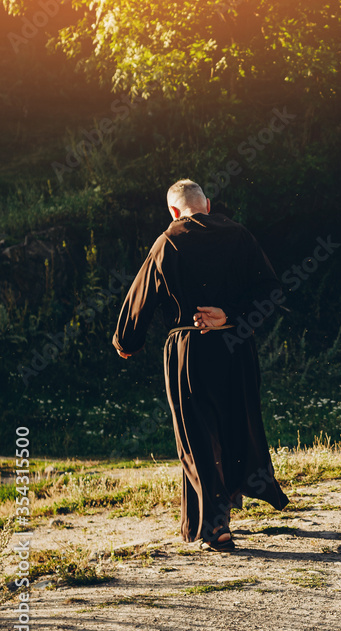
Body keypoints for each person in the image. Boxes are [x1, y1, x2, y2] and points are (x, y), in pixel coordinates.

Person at [113, 179, 289, 551]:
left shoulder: (168, 242)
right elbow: (272, 290)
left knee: (197, 439)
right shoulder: (240, 236)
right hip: (237, 346)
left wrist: (127, 341)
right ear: (207, 205)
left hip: (188, 350)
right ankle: (226, 507)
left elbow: (140, 295)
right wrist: (231, 315)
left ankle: (215, 525)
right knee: (235, 426)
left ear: (174, 212)